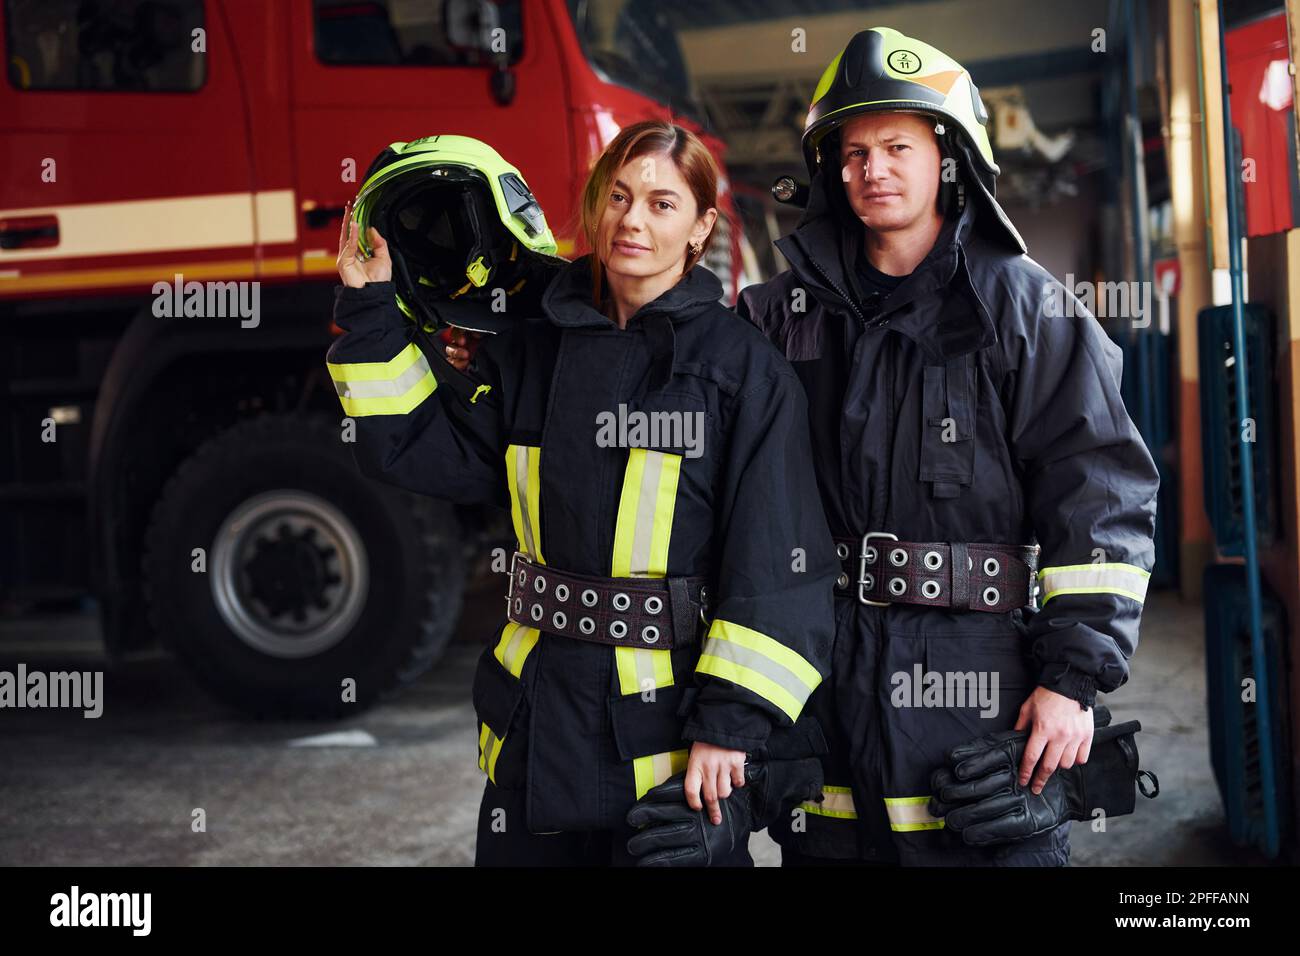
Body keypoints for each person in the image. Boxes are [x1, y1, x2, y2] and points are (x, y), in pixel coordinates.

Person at [324, 124, 837, 866]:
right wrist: (371, 310)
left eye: (663, 204)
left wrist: (731, 726)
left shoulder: (740, 370)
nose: (633, 221)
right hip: (535, 730)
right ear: (596, 207)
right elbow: (433, 460)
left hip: (666, 749)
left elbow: (779, 567)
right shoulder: (532, 349)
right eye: (620, 197)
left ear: (701, 228)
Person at [733, 26, 1161, 866]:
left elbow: (1100, 487)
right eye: (852, 152)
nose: (872, 170)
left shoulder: (1025, 306)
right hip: (822, 665)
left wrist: (1072, 680)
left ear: (949, 157)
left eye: (897, 145)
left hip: (984, 676)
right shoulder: (779, 316)